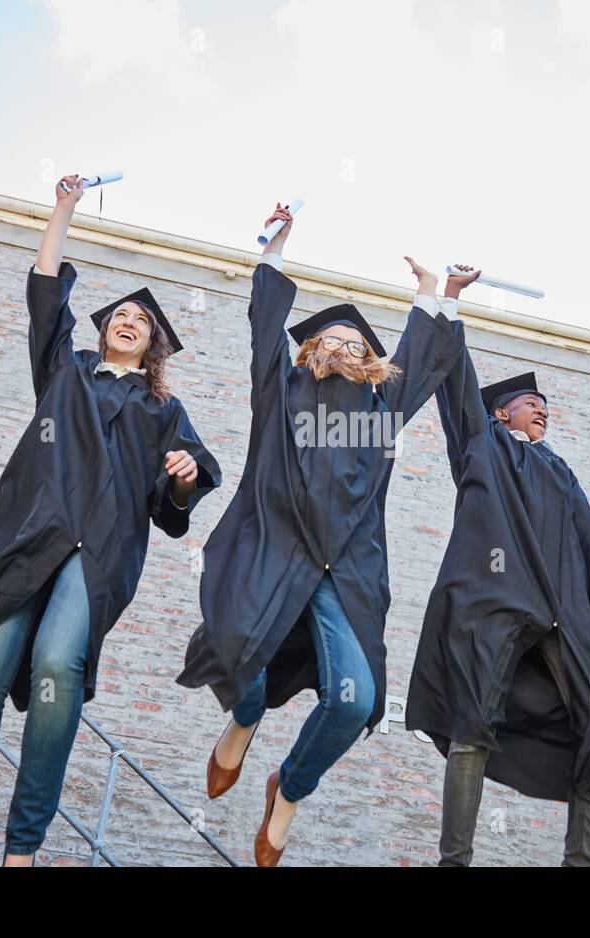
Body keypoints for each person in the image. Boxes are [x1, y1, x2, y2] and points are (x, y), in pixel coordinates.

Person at [0, 175, 220, 866]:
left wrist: (180, 478)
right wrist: (64, 206)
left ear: (152, 349)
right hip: (29, 535)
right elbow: (46, 287)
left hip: (98, 551)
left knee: (59, 663)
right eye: (121, 313)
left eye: (141, 323)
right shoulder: (64, 369)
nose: (128, 320)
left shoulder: (161, 411)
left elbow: (181, 491)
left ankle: (21, 849)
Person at [178, 202, 465, 866]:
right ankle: (244, 720)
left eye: (355, 345)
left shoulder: (380, 408)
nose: (341, 348)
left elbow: (421, 363)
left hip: (346, 572)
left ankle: (290, 785)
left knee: (355, 698)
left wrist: (435, 293)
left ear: (370, 362)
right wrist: (276, 247)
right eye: (329, 341)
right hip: (273, 553)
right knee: (238, 657)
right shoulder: (280, 388)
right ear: (309, 350)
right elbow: (264, 327)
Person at [406, 269, 590, 867]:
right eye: (529, 404)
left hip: (563, 615)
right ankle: (455, 859)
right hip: (493, 603)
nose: (541, 411)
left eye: (545, 406)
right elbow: (456, 382)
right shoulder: (479, 445)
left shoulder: (562, 475)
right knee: (474, 721)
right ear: (500, 415)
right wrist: (452, 299)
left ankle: (580, 861)